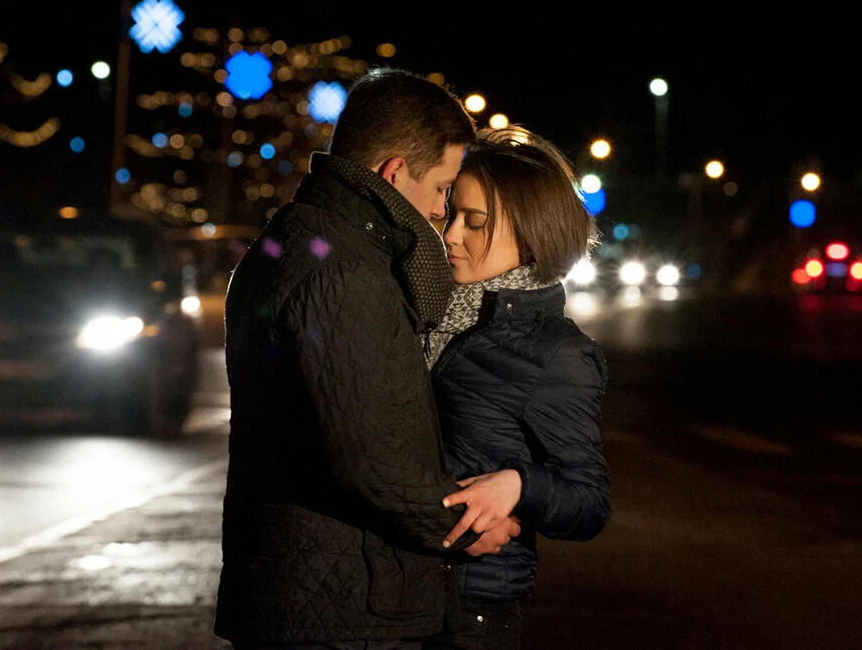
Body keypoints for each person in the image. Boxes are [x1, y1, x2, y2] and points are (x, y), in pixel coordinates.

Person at [215, 69, 522, 650]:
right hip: (340, 603)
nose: (440, 209)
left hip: (308, 588)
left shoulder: (301, 237)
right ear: (392, 171)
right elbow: (372, 455)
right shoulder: (344, 272)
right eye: (439, 188)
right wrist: (464, 528)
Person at [422, 128, 612, 650]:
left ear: (530, 235)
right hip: (398, 596)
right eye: (450, 214)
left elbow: (589, 501)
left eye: (475, 222)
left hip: (470, 612)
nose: (452, 234)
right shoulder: (426, 310)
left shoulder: (555, 353)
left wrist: (520, 486)